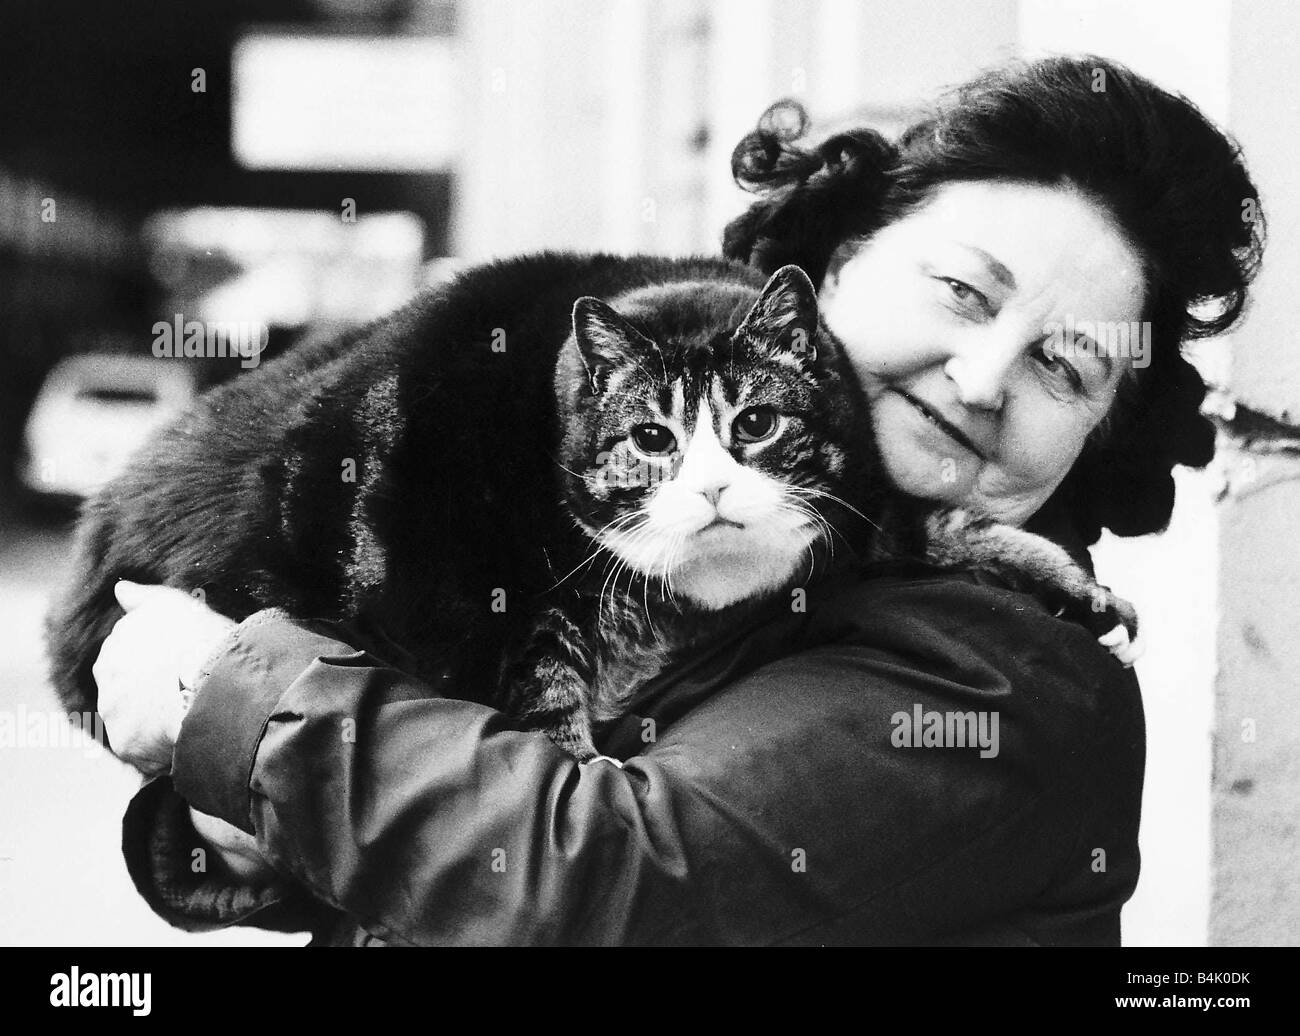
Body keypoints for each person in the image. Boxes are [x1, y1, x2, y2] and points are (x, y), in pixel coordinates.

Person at [90, 54, 1263, 946]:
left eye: (1067, 364)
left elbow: (602, 874)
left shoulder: (1011, 682)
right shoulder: (752, 550)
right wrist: (234, 828)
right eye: (962, 290)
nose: (981, 376)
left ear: (1101, 432)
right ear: (837, 265)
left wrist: (221, 697)